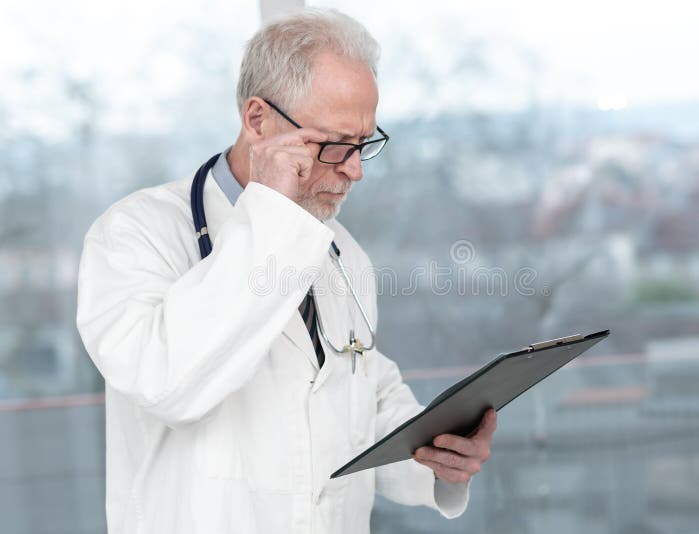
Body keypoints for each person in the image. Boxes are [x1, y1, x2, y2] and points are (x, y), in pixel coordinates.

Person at [76, 8, 496, 534]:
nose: (356, 169)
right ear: (258, 121)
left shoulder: (342, 252)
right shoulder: (134, 235)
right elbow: (169, 384)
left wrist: (437, 452)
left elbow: (362, 395)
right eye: (335, 144)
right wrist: (271, 214)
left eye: (364, 142)